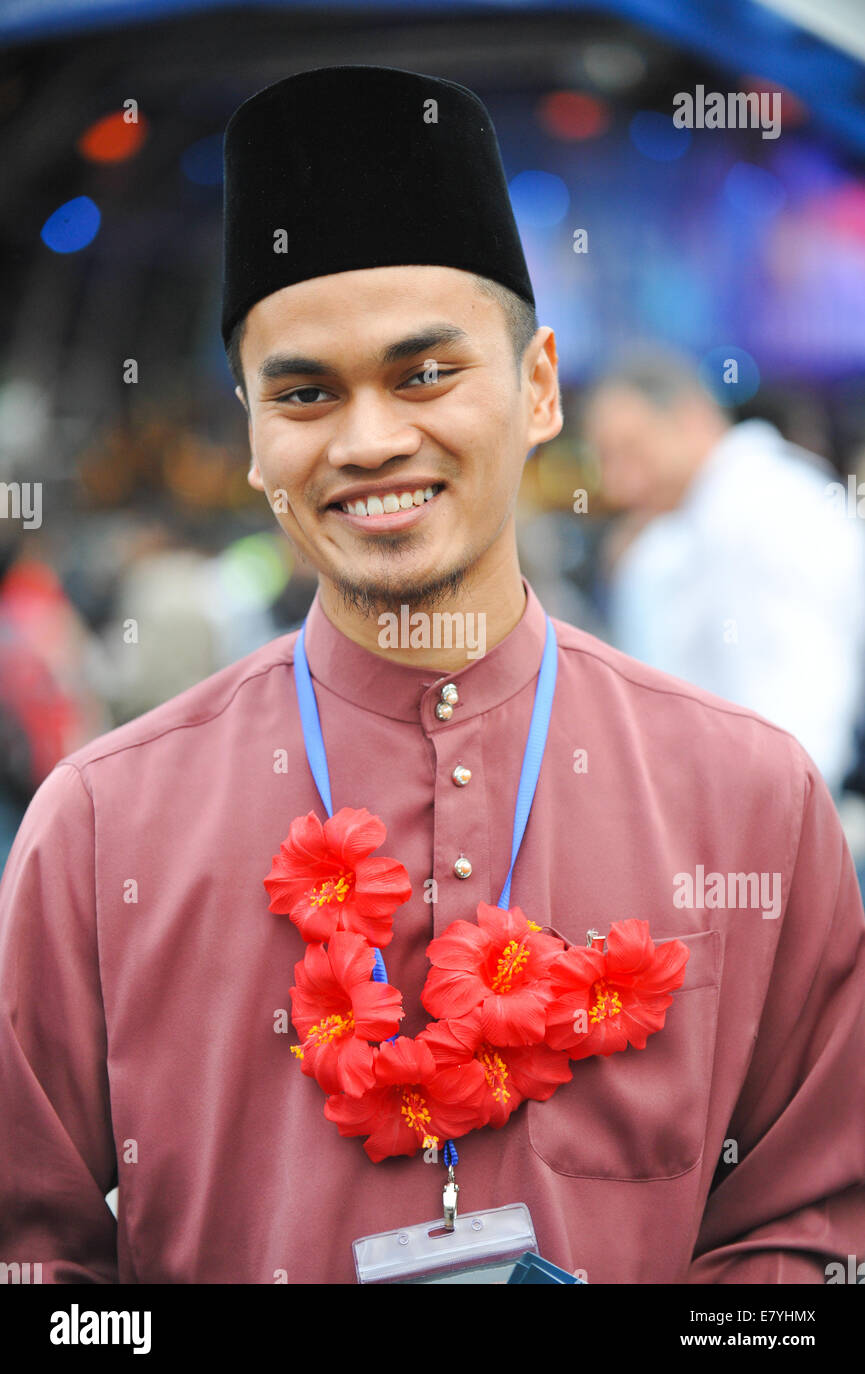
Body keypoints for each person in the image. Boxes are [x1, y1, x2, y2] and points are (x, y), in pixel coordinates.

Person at [1, 66, 863, 1286]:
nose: (367, 441)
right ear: (252, 435)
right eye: (304, 393)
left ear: (539, 386)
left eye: (424, 374)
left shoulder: (749, 800)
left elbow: (800, 1234)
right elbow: (35, 1266)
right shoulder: (97, 831)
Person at [583, 351, 865, 798]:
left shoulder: (764, 508)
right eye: (609, 462)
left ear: (691, 419)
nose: (619, 485)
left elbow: (802, 719)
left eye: (631, 453)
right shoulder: (705, 520)